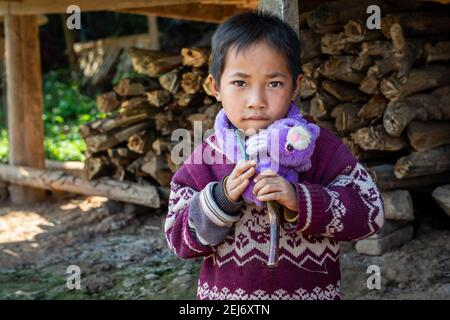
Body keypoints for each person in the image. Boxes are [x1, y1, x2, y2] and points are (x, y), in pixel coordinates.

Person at [164, 11, 384, 300]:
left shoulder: (320, 149)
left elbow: (371, 213)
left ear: (296, 86)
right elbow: (178, 241)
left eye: (274, 83)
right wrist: (220, 200)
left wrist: (301, 200)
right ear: (215, 87)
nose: (256, 101)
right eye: (240, 83)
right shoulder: (205, 159)